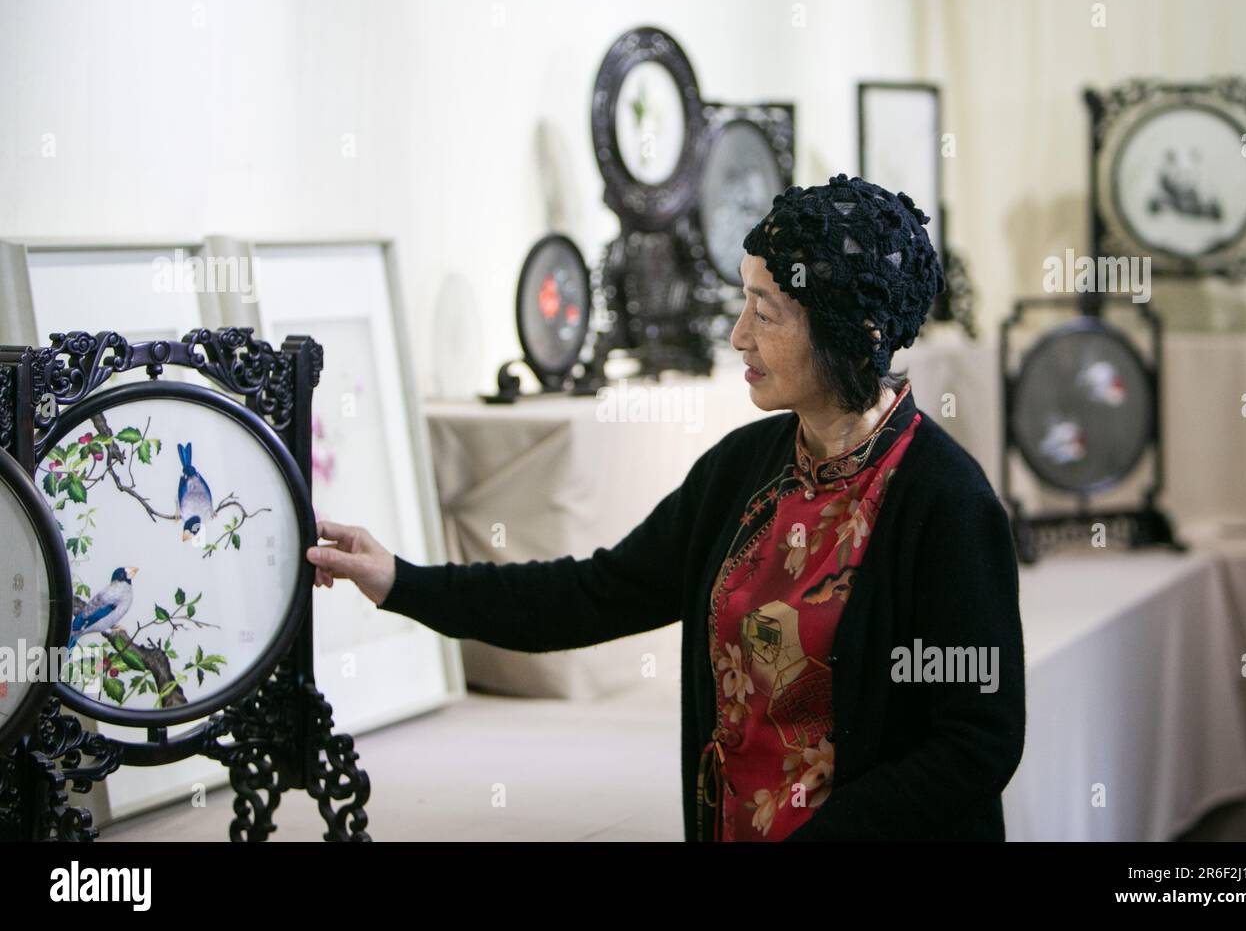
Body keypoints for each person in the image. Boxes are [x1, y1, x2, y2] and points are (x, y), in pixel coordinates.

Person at [307, 173, 1026, 841]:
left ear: (855, 332)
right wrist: (401, 579)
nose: (739, 334)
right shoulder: (741, 472)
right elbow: (591, 594)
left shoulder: (946, 504)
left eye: (766, 311)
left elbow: (975, 743)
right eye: (742, 301)